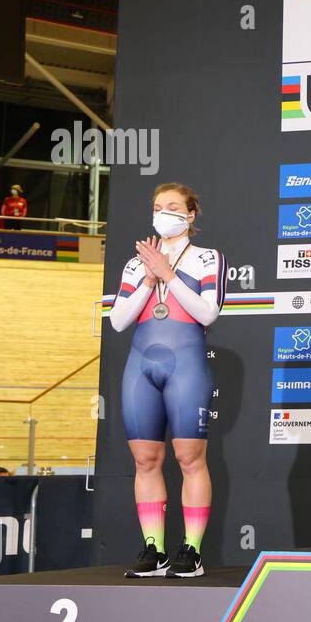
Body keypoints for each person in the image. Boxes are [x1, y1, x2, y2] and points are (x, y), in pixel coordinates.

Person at [108, 183, 226, 578]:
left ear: (191, 215)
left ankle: (191, 551)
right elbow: (119, 320)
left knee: (189, 457)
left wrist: (168, 274)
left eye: (173, 206)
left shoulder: (208, 258)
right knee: (145, 460)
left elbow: (207, 313)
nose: (164, 212)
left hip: (186, 364)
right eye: (158, 206)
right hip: (140, 364)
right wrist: (147, 278)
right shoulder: (134, 263)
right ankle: (154, 550)